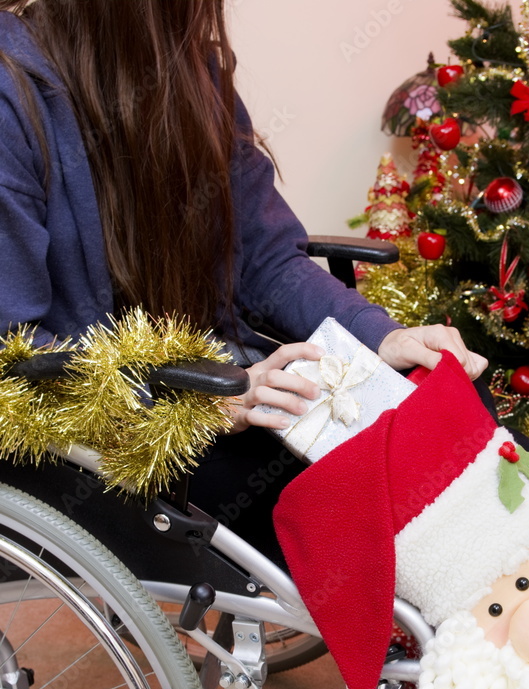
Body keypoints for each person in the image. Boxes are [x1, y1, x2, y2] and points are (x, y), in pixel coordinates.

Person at [0, 0, 485, 555]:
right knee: (359, 504)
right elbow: (13, 358)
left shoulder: (193, 74)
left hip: (224, 383)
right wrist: (193, 406)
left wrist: (381, 336)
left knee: (457, 411)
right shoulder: (11, 98)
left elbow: (268, 260)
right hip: (101, 440)